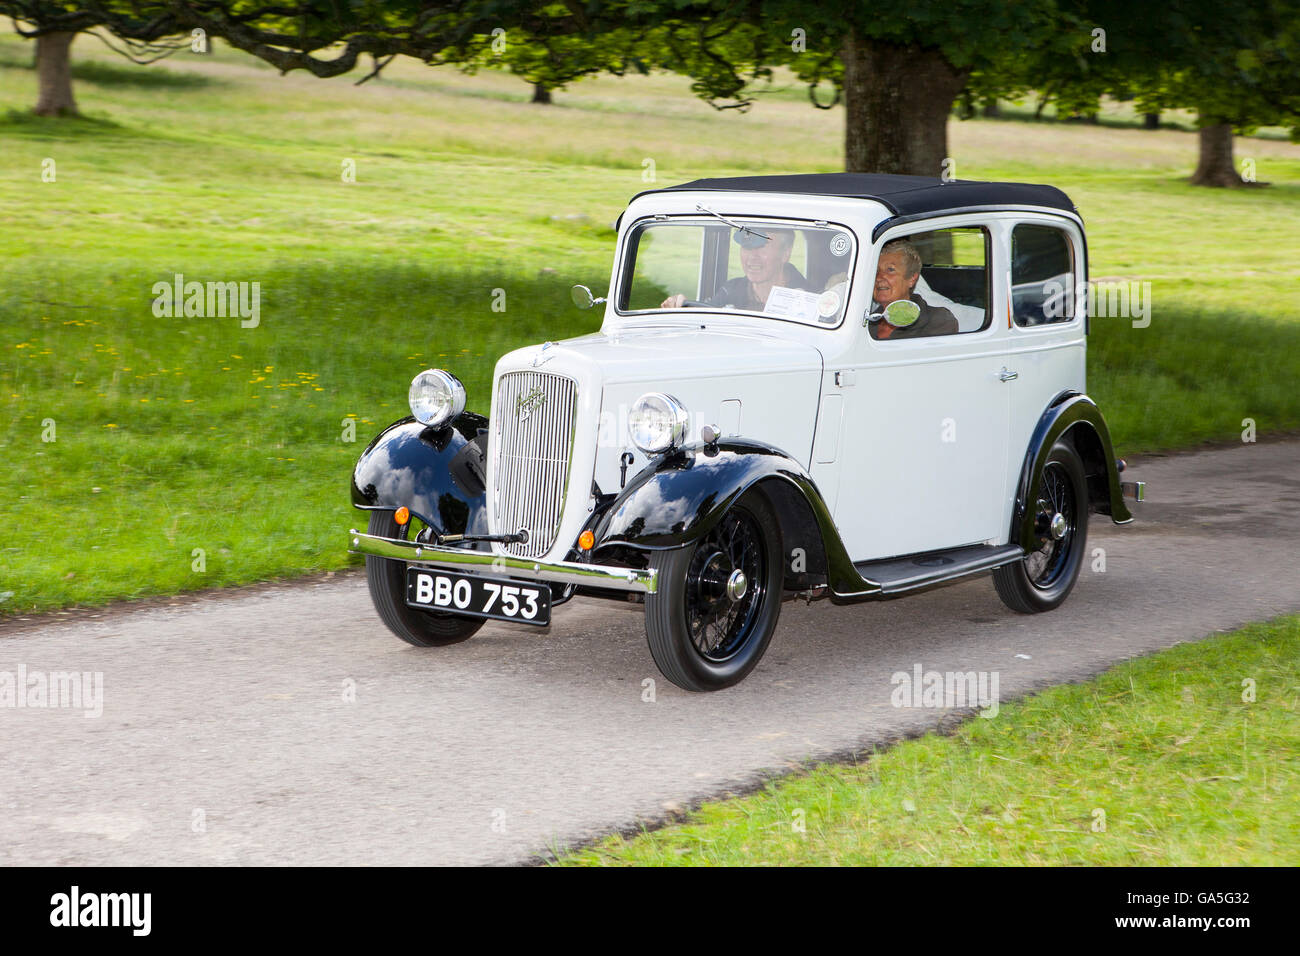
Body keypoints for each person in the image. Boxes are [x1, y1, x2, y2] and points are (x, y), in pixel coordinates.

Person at [662, 228, 810, 311]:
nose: (753, 257)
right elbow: (706, 318)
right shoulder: (731, 290)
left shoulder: (808, 297)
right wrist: (678, 307)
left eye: (762, 246)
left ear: (785, 253)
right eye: (747, 246)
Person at [870, 239, 958, 339]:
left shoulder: (938, 320)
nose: (878, 277)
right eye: (876, 271)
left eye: (890, 270)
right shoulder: (862, 322)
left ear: (912, 279)